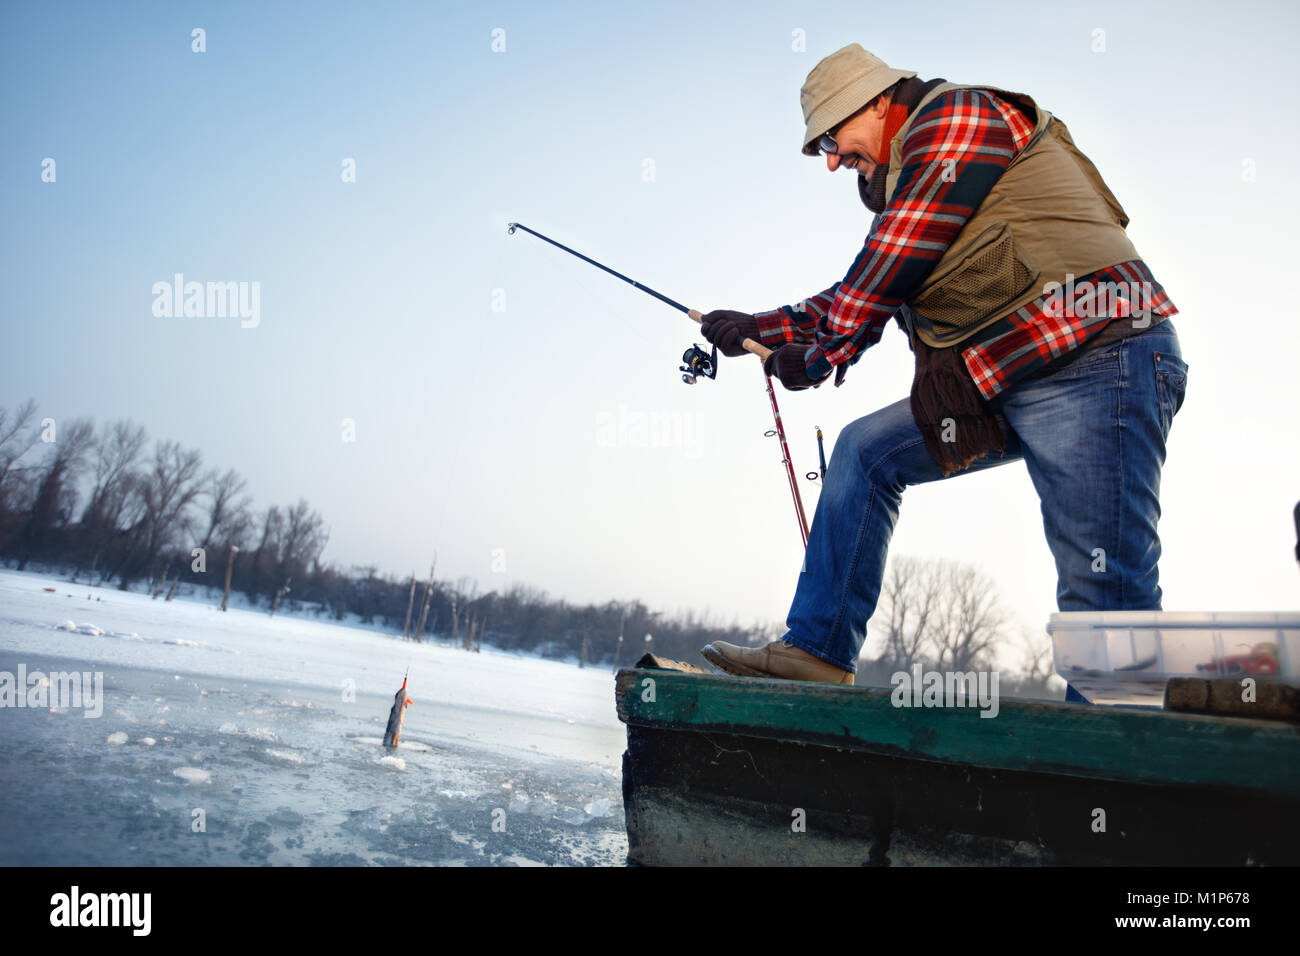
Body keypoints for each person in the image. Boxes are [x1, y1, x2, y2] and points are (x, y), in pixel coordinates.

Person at [699, 44, 1188, 689]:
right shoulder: (914, 187)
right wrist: (758, 328)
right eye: (822, 149)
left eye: (834, 139)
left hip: (1100, 359)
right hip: (1007, 374)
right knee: (865, 452)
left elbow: (890, 263)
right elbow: (877, 280)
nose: (834, 161)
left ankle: (1114, 750)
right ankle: (816, 652)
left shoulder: (956, 116)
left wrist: (819, 356)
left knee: (1101, 582)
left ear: (877, 103)